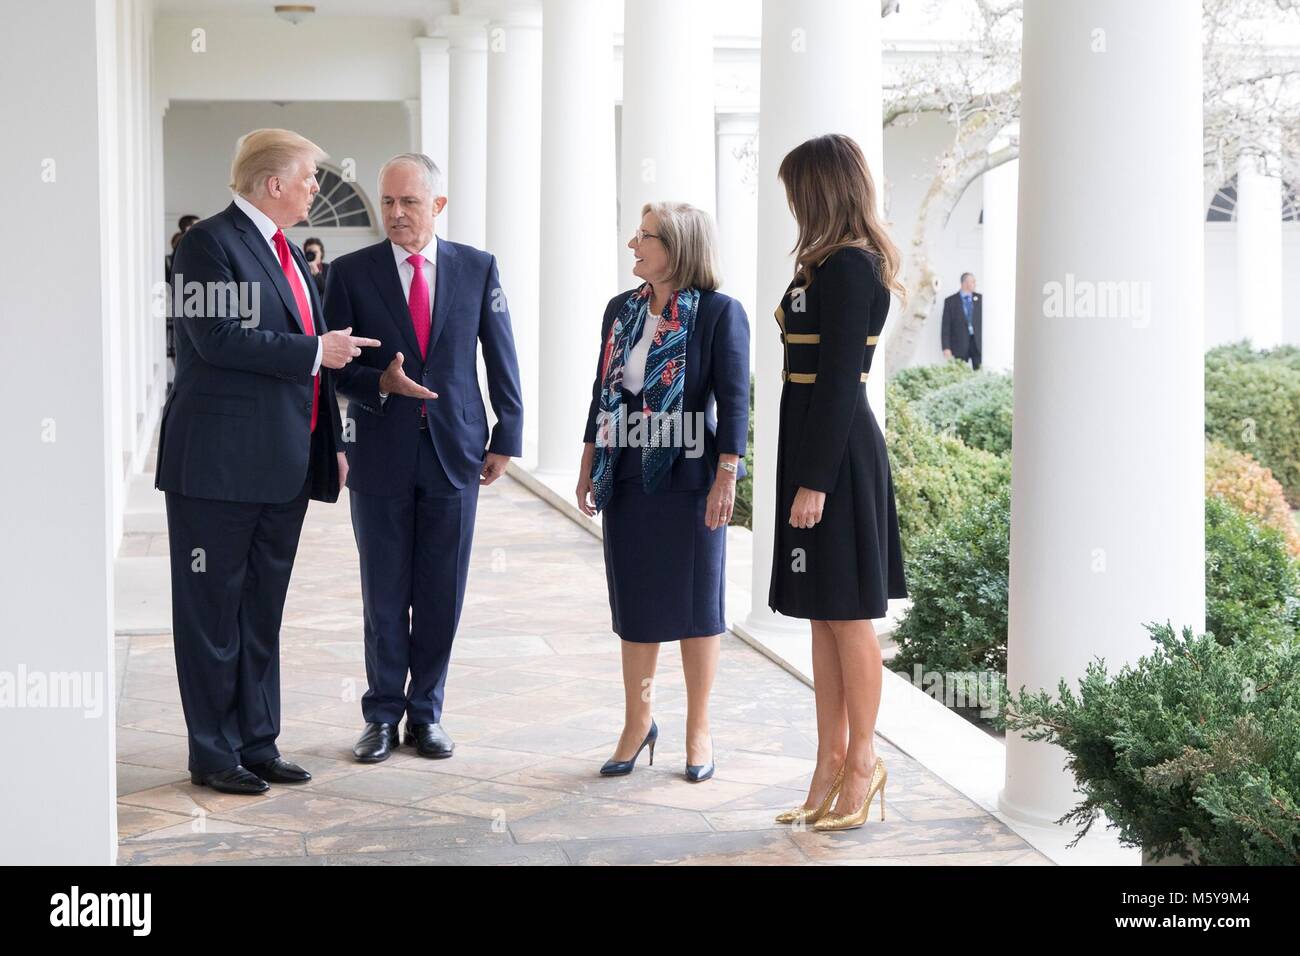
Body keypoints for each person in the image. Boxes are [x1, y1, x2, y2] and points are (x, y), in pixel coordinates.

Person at [156, 129, 379, 795]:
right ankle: (212, 752)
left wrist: (333, 443)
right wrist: (317, 350)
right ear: (274, 183)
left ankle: (258, 741)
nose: (318, 188)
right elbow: (219, 340)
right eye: (311, 177)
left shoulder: (286, 252)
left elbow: (313, 362)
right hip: (216, 470)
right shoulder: (206, 244)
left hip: (284, 463)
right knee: (211, 614)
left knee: (261, 613)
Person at [326, 153, 523, 764]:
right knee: (383, 590)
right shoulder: (350, 272)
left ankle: (427, 712)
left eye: (409, 202)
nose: (395, 214)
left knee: (442, 590)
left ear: (437, 206)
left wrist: (506, 434)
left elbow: (500, 353)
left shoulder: (477, 268)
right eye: (387, 202)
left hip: (455, 451)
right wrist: (378, 383)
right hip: (379, 452)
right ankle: (382, 714)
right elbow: (333, 365)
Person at [576, 201, 750, 783]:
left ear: (676, 248)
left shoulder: (721, 314)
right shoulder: (619, 310)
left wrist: (729, 473)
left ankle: (698, 729)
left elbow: (734, 401)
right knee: (637, 604)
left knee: (699, 607)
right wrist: (588, 463)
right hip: (626, 474)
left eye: (645, 237)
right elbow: (603, 393)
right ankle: (637, 722)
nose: (633, 244)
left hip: (692, 479)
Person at [766, 133, 908, 830]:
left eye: (798, 189)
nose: (792, 201)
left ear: (822, 188)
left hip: (839, 455)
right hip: (813, 447)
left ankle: (862, 763)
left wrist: (815, 480)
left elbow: (839, 380)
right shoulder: (822, 264)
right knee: (823, 611)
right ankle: (827, 760)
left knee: (850, 615)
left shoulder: (852, 267)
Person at [941, 272, 982, 370]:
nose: (975, 284)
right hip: (960, 344)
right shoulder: (951, 301)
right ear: (965, 283)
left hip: (977, 343)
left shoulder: (980, 299)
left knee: (980, 370)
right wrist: (946, 347)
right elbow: (946, 325)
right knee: (961, 372)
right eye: (973, 282)